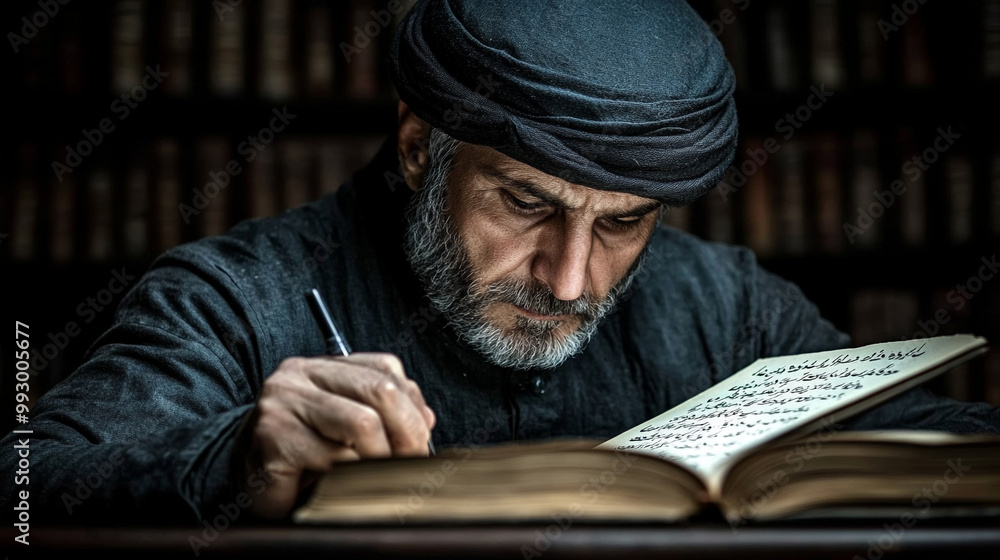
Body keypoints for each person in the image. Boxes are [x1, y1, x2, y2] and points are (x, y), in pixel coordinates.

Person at [3, 0, 999, 525]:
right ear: (415, 147)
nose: (570, 281)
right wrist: (232, 459)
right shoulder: (233, 297)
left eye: (624, 223)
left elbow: (922, 441)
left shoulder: (724, 303)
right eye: (525, 202)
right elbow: (26, 479)